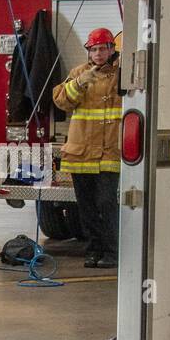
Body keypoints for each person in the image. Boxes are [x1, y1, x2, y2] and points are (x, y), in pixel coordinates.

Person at [51, 27, 121, 268]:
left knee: (106, 203)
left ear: (113, 49)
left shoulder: (122, 74)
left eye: (103, 48)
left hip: (109, 152)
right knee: (87, 207)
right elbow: (61, 101)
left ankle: (112, 251)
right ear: (89, 52)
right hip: (81, 152)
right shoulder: (79, 73)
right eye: (94, 49)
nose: (99, 53)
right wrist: (79, 84)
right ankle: (93, 250)